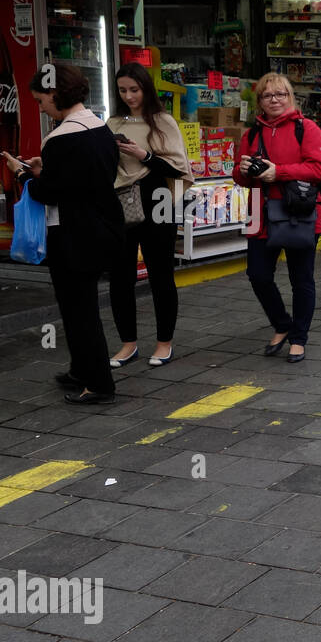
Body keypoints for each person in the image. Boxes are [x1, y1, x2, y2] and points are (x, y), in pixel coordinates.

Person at [3, 65, 124, 404]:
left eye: (41, 100)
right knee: (80, 306)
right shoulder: (100, 127)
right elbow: (82, 179)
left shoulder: (60, 138)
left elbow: (49, 193)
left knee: (79, 310)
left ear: (55, 95)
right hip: (103, 226)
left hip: (72, 234)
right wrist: (45, 170)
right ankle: (81, 371)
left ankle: (98, 383)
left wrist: (23, 175)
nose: (40, 107)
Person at [233, 73, 321, 364]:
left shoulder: (306, 128)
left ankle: (299, 338)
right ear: (260, 102)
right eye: (267, 95)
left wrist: (279, 172)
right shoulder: (251, 134)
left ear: (290, 98)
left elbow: (319, 169)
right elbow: (239, 177)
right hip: (261, 215)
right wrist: (245, 170)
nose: (274, 100)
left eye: (280, 94)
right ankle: (282, 324)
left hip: (298, 214)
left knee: (301, 279)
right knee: (258, 275)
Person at [106, 63, 192, 368]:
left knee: (160, 275)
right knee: (120, 277)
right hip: (120, 202)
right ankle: (128, 344)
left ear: (146, 89)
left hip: (158, 201)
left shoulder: (163, 122)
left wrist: (143, 155)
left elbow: (179, 169)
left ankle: (163, 343)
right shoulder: (114, 121)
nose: (129, 96)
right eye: (122, 90)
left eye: (135, 89)